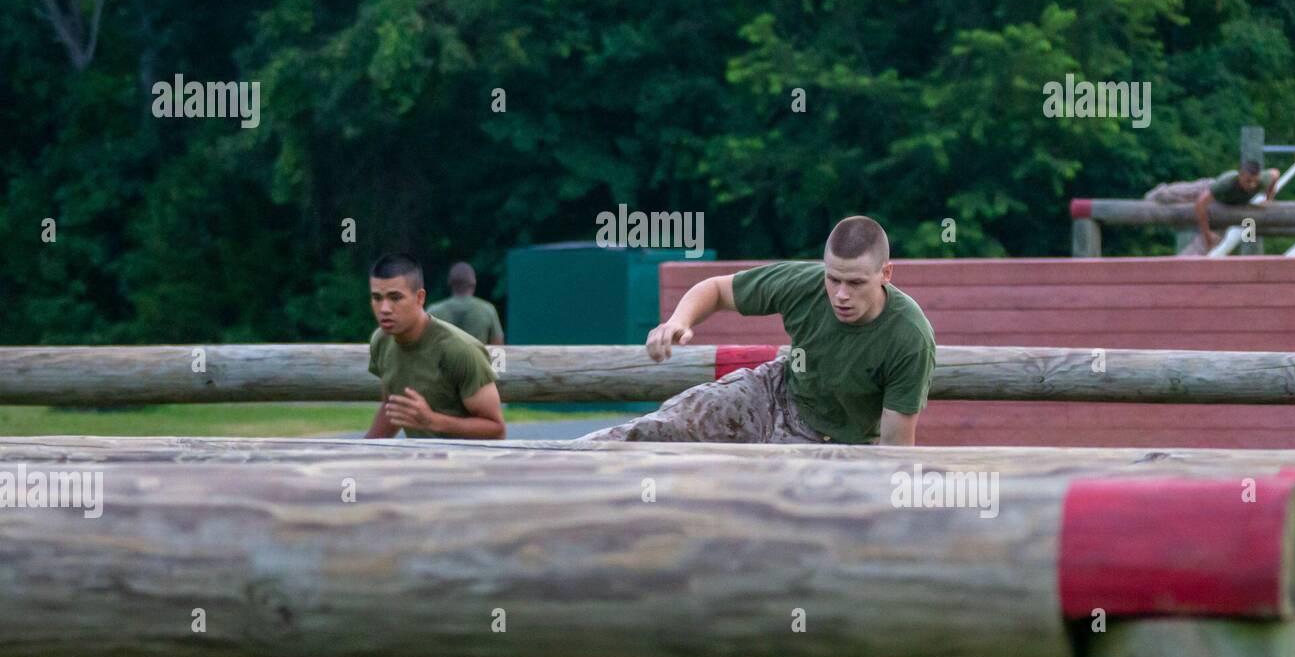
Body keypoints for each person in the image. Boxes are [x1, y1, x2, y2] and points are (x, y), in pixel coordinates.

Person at [578, 216, 936, 446]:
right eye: (834, 279)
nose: (841, 294)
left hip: (840, 441)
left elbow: (895, 446)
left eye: (856, 282)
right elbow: (716, 290)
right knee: (661, 426)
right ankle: (553, 464)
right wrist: (678, 321)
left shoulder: (909, 335)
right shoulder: (804, 283)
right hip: (774, 393)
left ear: (886, 274)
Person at [364, 253, 505, 439]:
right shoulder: (381, 340)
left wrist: (433, 421)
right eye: (377, 298)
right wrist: (359, 453)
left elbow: (497, 429)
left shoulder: (461, 350)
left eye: (395, 298)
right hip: (421, 462)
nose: (384, 309)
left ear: (420, 298)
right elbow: (393, 408)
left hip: (470, 464)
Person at [1145, 161, 1280, 255]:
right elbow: (1200, 204)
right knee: (1177, 193)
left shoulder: (1264, 179)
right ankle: (1154, 195)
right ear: (1240, 176)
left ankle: (1182, 264)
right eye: (1248, 181)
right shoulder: (1226, 183)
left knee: (1210, 244)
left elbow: (1276, 173)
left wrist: (1268, 199)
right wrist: (1206, 233)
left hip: (1227, 208)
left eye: (1255, 181)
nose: (1252, 185)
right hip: (1209, 191)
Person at [426, 262, 505, 345]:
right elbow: (498, 348)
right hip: (477, 357)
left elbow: (424, 345)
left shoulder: (433, 311)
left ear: (450, 283)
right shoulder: (487, 310)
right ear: (473, 283)